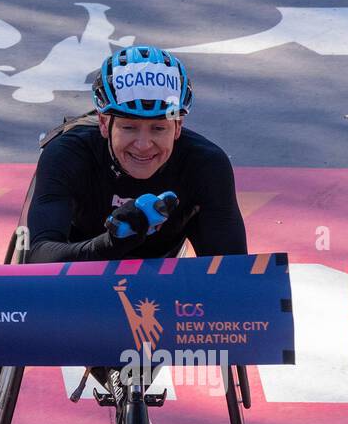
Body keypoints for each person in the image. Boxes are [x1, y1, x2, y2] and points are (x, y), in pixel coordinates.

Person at [24, 45, 247, 264]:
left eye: (159, 128)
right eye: (129, 127)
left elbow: (235, 275)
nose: (143, 145)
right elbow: (40, 258)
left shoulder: (205, 164)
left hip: (162, 275)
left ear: (178, 126)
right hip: (74, 266)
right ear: (103, 123)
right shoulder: (67, 154)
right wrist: (110, 244)